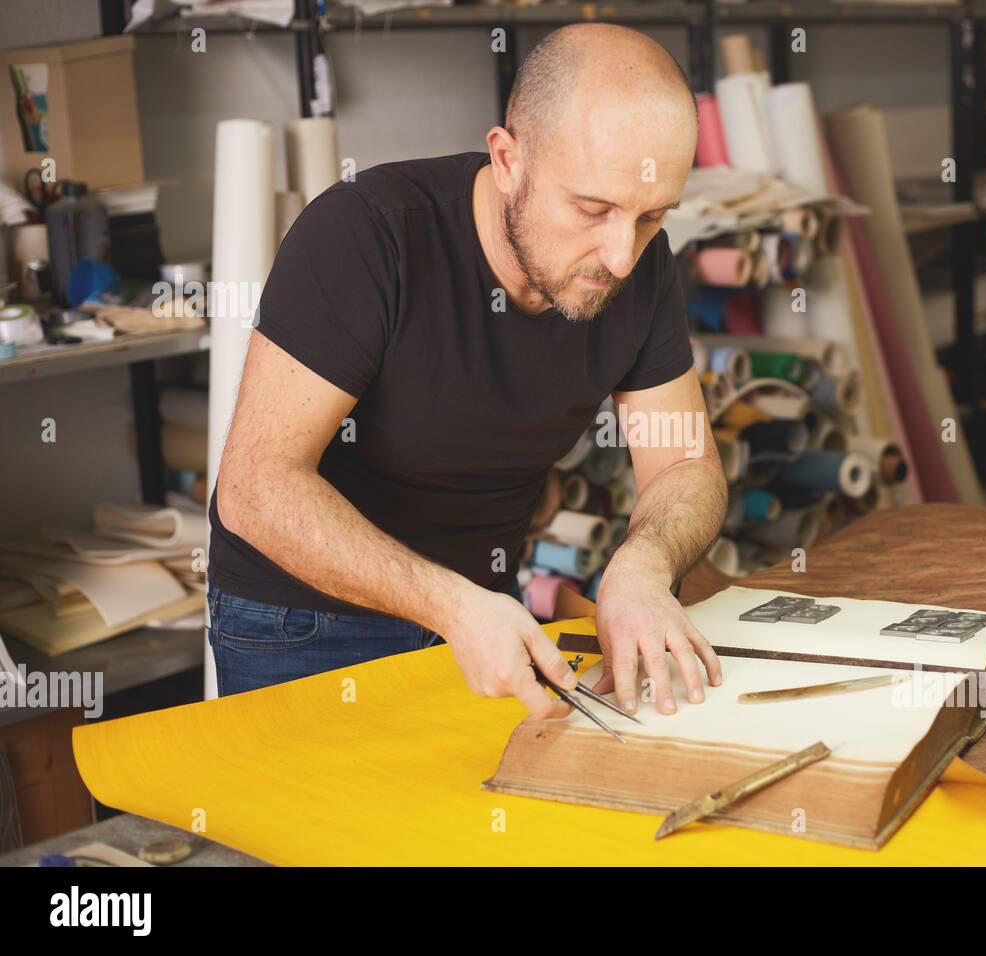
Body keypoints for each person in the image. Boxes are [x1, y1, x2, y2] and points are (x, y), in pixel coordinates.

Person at [207, 23, 727, 720]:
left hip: (481, 606)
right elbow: (255, 488)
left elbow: (686, 464)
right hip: (304, 620)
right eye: (593, 209)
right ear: (507, 160)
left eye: (650, 217)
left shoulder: (638, 263)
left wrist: (644, 565)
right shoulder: (368, 235)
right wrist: (449, 604)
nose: (621, 256)